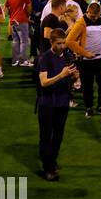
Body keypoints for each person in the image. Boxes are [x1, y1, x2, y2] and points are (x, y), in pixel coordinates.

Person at [35, 28, 77, 181]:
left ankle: (52, 160)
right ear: (51, 42)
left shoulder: (67, 55)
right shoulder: (44, 58)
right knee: (46, 135)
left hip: (62, 102)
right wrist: (61, 75)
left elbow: (68, 79)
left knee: (58, 135)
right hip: (47, 103)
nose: (62, 46)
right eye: (59, 43)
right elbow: (44, 82)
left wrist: (73, 77)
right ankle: (47, 168)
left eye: (64, 43)